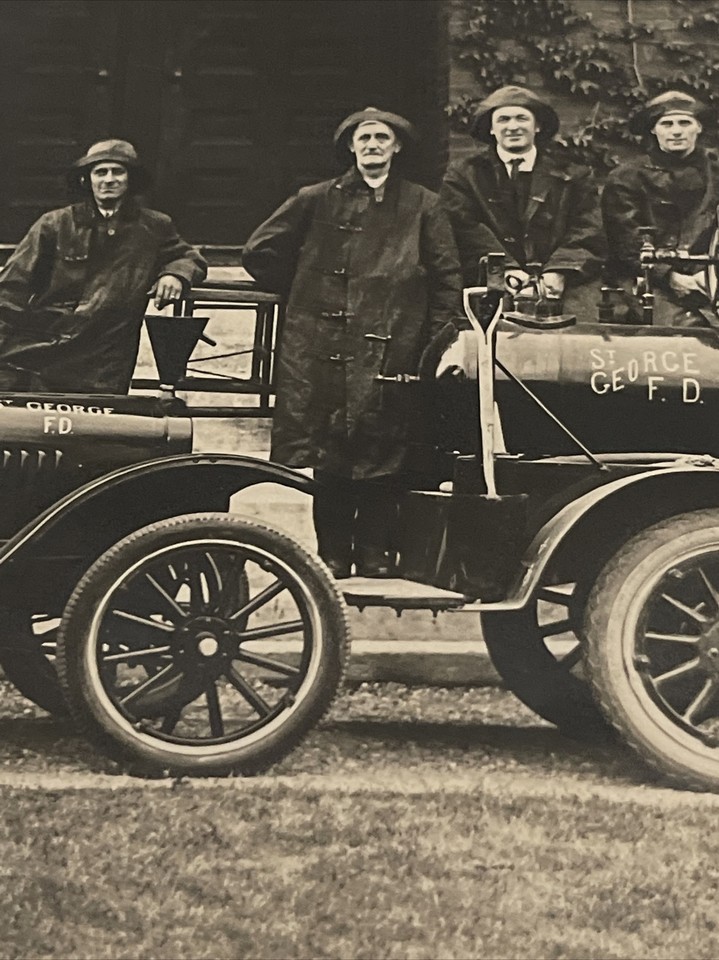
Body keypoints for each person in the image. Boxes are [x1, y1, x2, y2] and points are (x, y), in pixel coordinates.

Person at [242, 106, 461, 578]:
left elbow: (447, 277)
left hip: (394, 341)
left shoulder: (422, 204)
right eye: (364, 139)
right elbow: (261, 250)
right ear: (351, 147)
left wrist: (437, 341)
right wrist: (305, 290)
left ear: (397, 147)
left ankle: (377, 551)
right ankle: (334, 552)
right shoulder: (315, 199)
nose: (373, 146)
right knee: (330, 446)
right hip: (321, 344)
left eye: (382, 138)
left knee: (387, 446)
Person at [0, 139, 207, 393]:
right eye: (100, 172)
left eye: (118, 171)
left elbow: (189, 257)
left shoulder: (154, 226)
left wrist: (176, 274)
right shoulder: (55, 224)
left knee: (99, 425)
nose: (109, 180)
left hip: (106, 355)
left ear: (131, 180)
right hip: (47, 345)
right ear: (87, 181)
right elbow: (12, 286)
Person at [439, 85, 605, 318]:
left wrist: (560, 270)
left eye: (522, 118)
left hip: (564, 283)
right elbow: (463, 227)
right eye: (503, 120)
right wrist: (503, 268)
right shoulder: (465, 175)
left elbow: (589, 228)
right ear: (491, 129)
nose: (513, 127)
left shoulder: (572, 174)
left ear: (537, 126)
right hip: (490, 279)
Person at [602, 90, 719, 326]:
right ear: (653, 130)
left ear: (698, 128)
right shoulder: (627, 177)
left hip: (709, 276)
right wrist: (668, 275)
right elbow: (625, 241)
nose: (676, 131)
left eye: (685, 123)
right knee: (689, 331)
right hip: (648, 279)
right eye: (666, 124)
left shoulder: (715, 174)